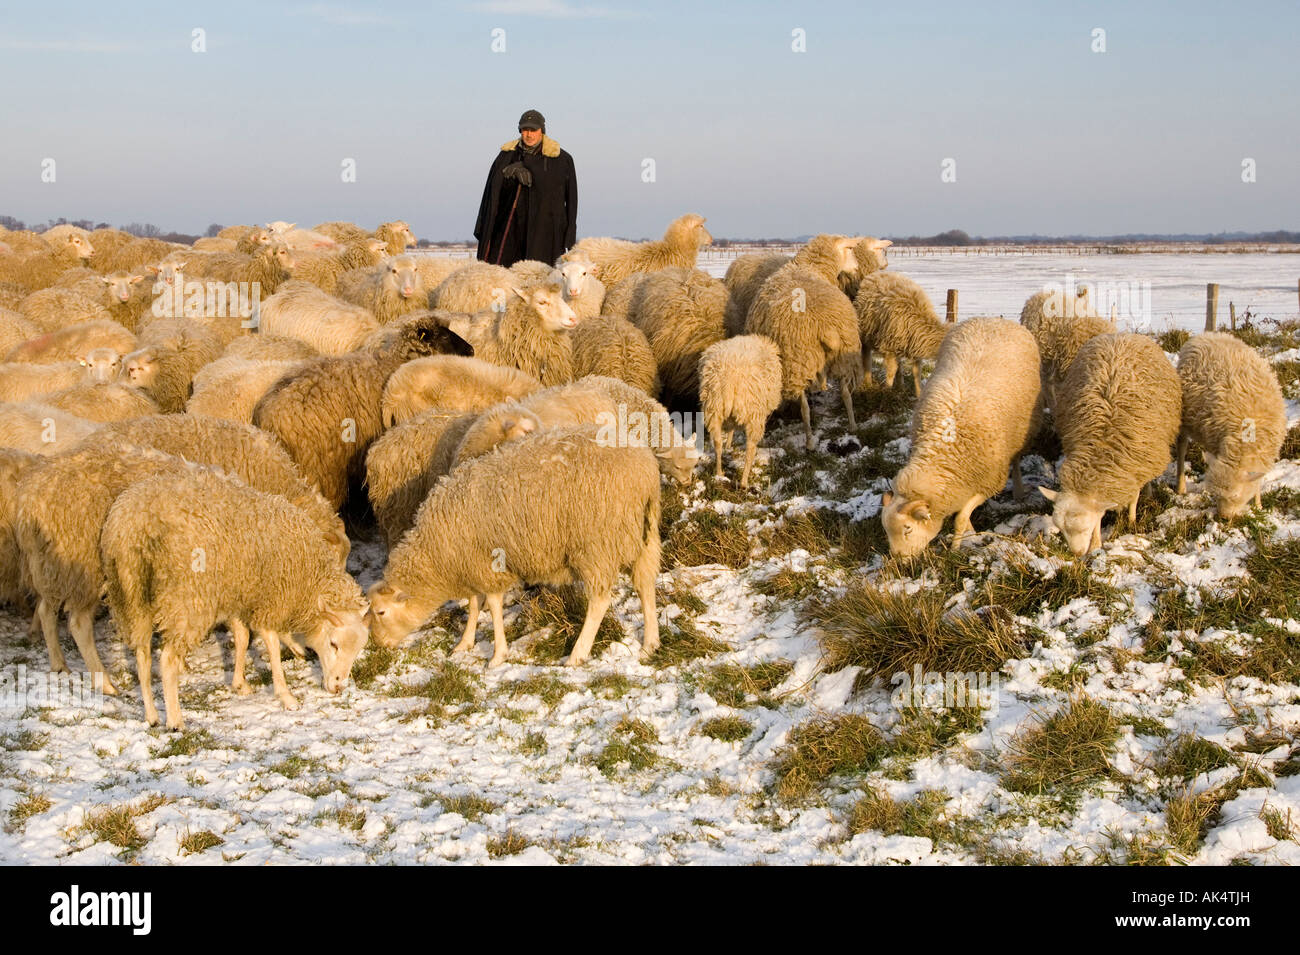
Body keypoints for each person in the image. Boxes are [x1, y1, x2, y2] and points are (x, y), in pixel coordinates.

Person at [474, 109, 577, 268]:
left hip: (546, 231)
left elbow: (570, 200)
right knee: (505, 279)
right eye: (525, 130)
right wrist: (511, 176)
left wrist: (569, 236)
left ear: (541, 130)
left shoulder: (561, 159)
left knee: (543, 281)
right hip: (510, 230)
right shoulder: (506, 156)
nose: (529, 134)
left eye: (533, 130)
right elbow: (493, 193)